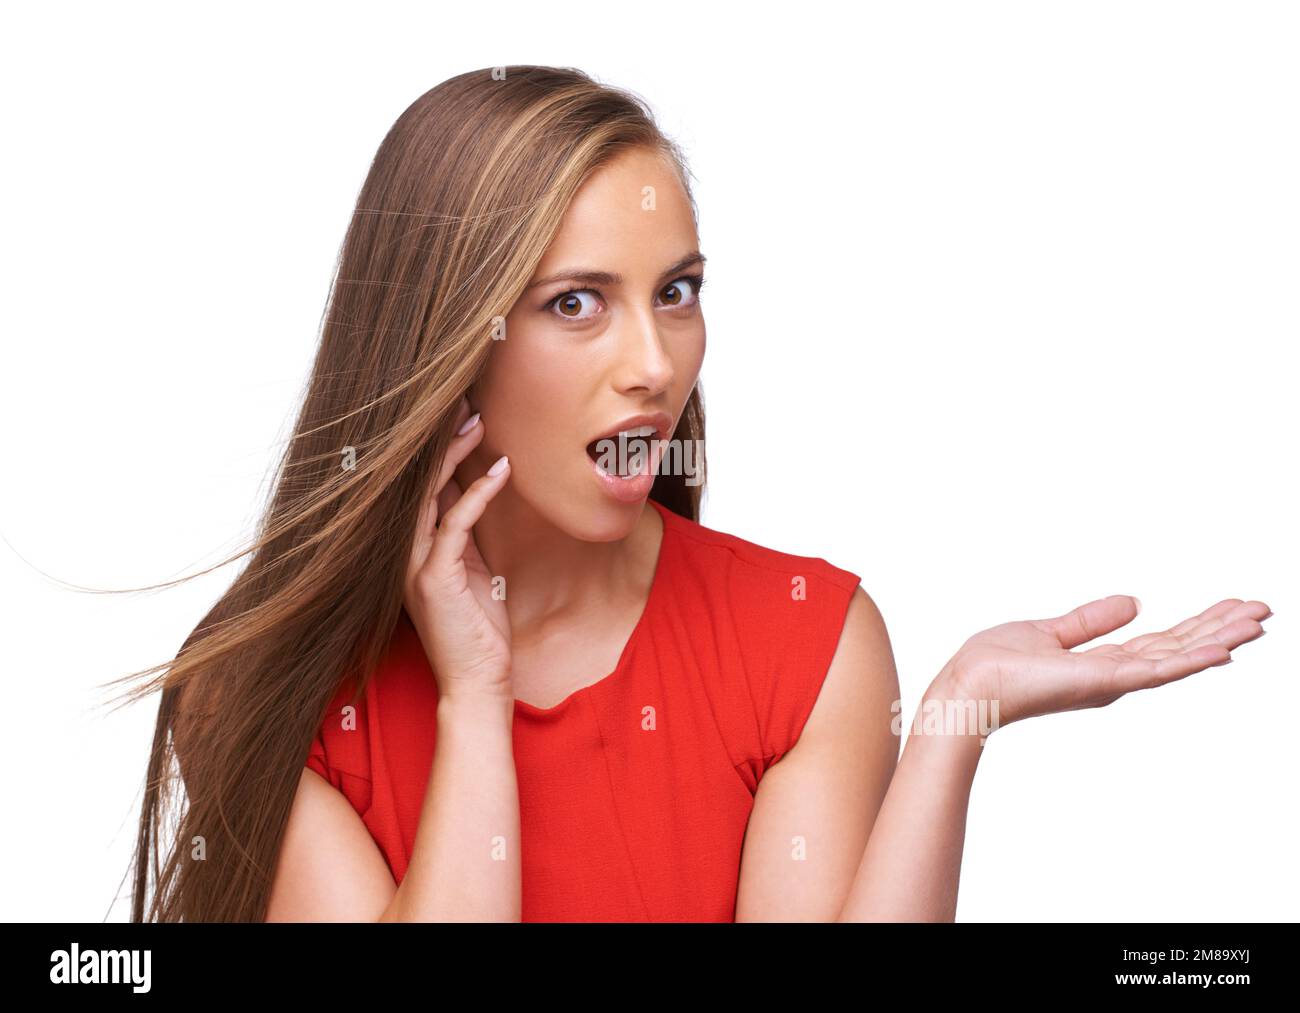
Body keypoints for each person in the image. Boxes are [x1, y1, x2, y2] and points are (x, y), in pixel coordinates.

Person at [125, 66, 1271, 923]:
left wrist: (948, 726)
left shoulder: (800, 645)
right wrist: (474, 698)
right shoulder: (259, 689)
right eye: (576, 302)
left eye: (675, 292)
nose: (656, 363)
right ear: (445, 337)